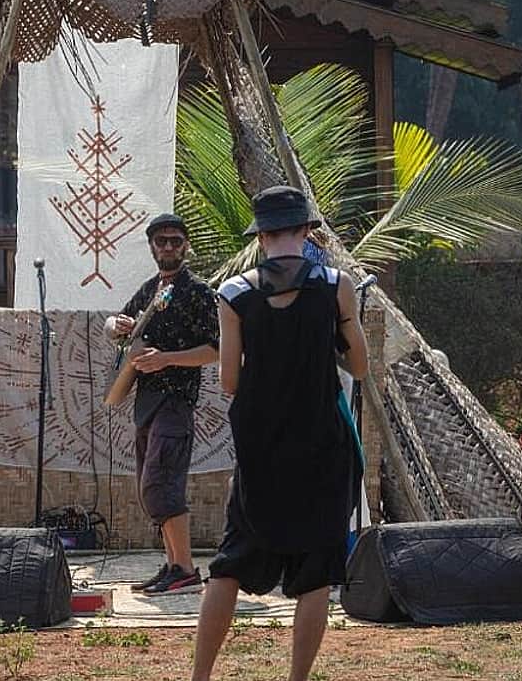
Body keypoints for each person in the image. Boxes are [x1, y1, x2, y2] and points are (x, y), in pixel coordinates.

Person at [191, 186, 368, 681]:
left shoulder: (232, 295)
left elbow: (229, 381)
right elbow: (359, 364)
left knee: (229, 562)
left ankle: (200, 677)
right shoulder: (337, 286)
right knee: (316, 574)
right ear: (307, 232)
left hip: (260, 446)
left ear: (262, 236)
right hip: (321, 445)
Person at [105, 213, 219, 596]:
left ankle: (185, 569)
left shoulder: (199, 292)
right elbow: (117, 329)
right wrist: (115, 325)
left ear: (186, 245)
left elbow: (216, 350)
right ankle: (173, 565)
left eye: (175, 241)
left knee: (161, 482)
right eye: (161, 241)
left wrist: (167, 358)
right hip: (147, 400)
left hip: (176, 399)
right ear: (152, 246)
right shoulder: (150, 289)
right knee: (149, 485)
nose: (168, 247)